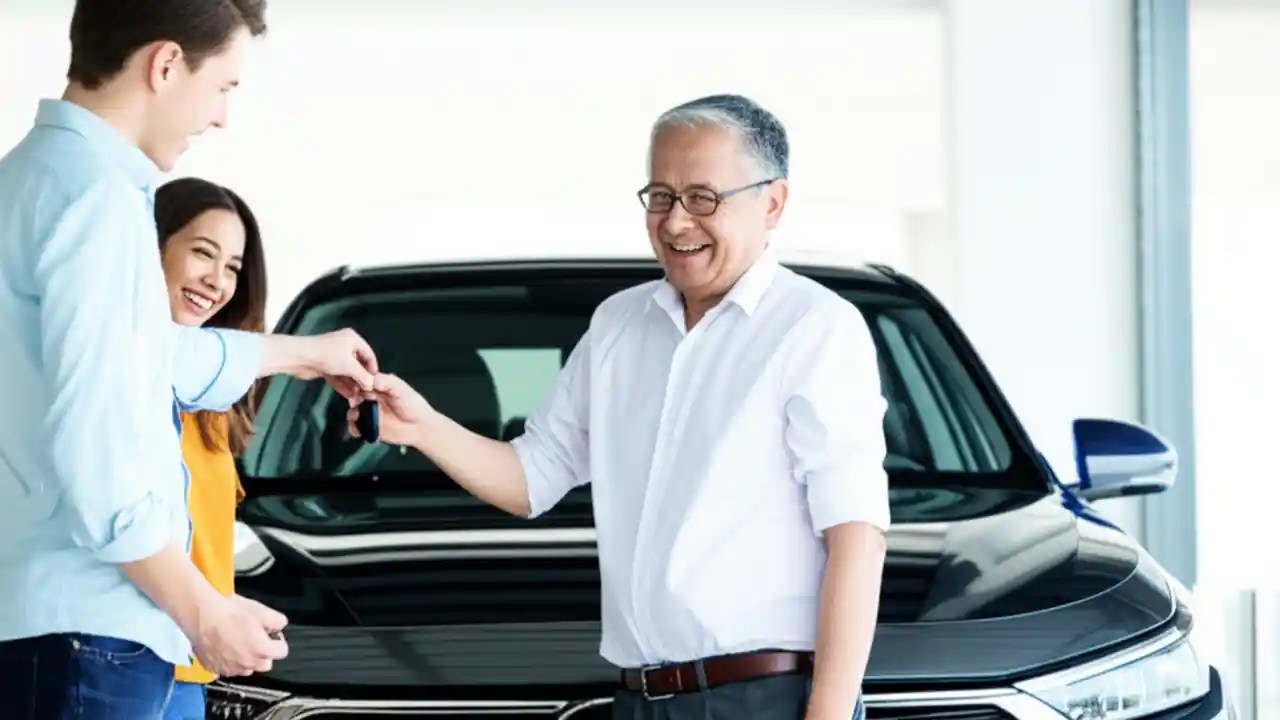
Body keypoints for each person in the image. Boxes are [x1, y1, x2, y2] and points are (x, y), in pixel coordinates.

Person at [349, 94, 889, 720]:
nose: (676, 221)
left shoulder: (816, 327)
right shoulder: (618, 326)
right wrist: (423, 425)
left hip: (764, 698)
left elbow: (856, 537)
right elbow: (533, 478)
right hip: (639, 699)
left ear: (772, 203)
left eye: (702, 198)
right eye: (660, 196)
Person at [0, 2, 377, 717]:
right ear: (165, 64)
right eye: (225, 86)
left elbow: (141, 358)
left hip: (41, 630)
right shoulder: (99, 202)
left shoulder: (25, 180)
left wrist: (300, 355)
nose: (221, 117)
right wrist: (204, 610)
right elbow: (98, 451)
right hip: (93, 642)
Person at [151, 177, 269, 719]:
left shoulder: (215, 406)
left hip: (193, 673)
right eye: (203, 253)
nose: (216, 282)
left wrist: (225, 603)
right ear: (152, 247)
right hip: (130, 663)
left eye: (232, 269)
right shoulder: (124, 375)